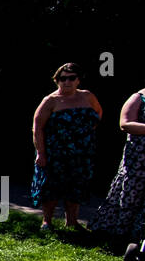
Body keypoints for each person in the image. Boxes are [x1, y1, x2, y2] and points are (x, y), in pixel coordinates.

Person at [90, 57, 145, 251]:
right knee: (132, 195)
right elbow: (125, 123)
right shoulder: (140, 97)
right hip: (139, 158)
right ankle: (120, 236)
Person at [31, 62, 103, 230]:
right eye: (62, 78)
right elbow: (37, 127)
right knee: (51, 187)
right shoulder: (51, 100)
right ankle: (47, 221)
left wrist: (85, 133)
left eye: (71, 78)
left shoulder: (87, 96)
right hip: (56, 152)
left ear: (78, 80)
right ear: (57, 80)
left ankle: (72, 221)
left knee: (76, 187)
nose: (67, 82)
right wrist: (40, 153)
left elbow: (98, 113)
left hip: (81, 152)